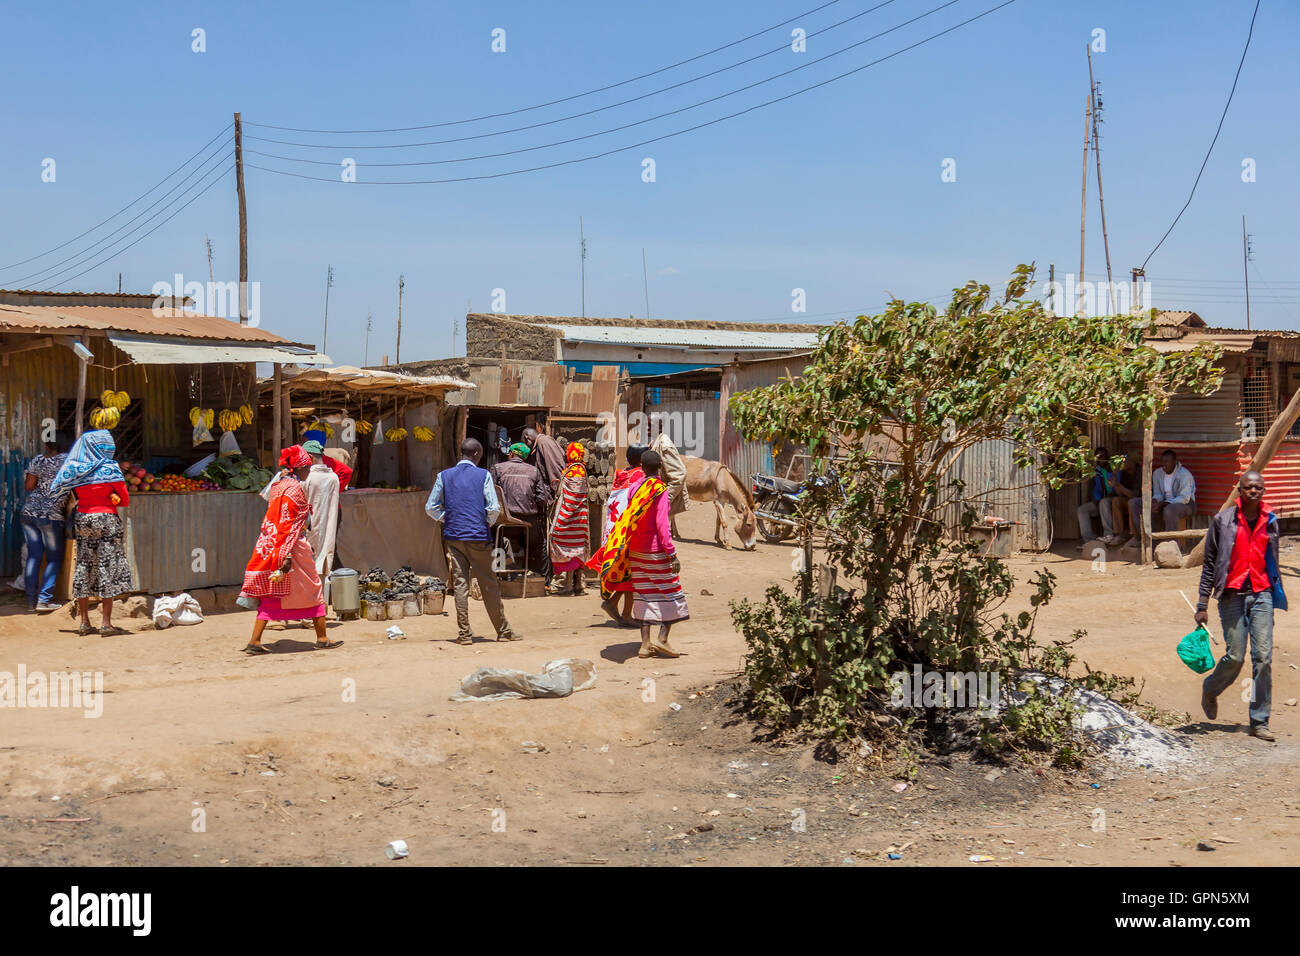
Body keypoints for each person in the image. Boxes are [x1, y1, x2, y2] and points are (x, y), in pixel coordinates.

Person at [1195, 470, 1285, 742]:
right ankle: (1211, 688)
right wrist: (1202, 603)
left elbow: (1272, 559)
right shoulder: (1222, 521)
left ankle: (1259, 721)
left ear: (1264, 490)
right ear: (1240, 490)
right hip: (1231, 594)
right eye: (1248, 488)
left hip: (1262, 594)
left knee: (1264, 658)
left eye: (1258, 487)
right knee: (1235, 656)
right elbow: (1210, 563)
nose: (1253, 492)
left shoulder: (1271, 521)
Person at [240, 446, 341, 655]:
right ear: (300, 467)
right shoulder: (294, 488)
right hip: (292, 546)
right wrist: (285, 555)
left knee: (273, 595)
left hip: (274, 544)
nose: (309, 471)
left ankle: (255, 640)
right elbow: (286, 523)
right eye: (307, 467)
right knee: (313, 588)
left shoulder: (278, 485)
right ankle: (322, 638)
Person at [426, 437, 519, 645]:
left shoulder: (444, 476)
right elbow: (494, 509)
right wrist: (483, 522)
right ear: (477, 454)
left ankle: (465, 634)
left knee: (460, 585)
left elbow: (431, 507)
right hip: (478, 537)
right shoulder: (483, 475)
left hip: (454, 537)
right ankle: (503, 631)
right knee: (489, 585)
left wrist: (448, 519)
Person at [597, 450, 688, 658]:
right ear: (660, 468)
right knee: (671, 593)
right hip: (656, 551)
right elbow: (662, 525)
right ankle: (663, 639)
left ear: (642, 468)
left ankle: (645, 644)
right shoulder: (660, 489)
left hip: (636, 551)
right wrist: (671, 553)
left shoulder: (635, 487)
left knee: (643, 595)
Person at [49, 430, 135, 636]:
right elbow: (124, 499)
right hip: (107, 520)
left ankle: (85, 622)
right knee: (106, 568)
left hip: (83, 520)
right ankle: (106, 623)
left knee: (84, 567)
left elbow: (65, 490)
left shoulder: (76, 468)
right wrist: (111, 496)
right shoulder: (110, 467)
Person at [593, 444, 646, 625]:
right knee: (632, 572)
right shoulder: (640, 476)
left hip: (613, 530)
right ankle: (624, 612)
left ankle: (617, 605)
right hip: (627, 530)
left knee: (627, 571)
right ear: (642, 459)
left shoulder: (622, 474)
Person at [21, 433, 70, 612]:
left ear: (48, 446)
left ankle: (30, 602)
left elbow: (29, 486)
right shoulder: (69, 461)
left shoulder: (38, 460)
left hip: (29, 513)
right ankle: (44, 600)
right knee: (54, 559)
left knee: (33, 557)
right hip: (51, 516)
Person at [490, 442, 552, 580]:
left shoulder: (498, 468)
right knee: (539, 545)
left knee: (495, 540)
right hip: (527, 523)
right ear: (525, 457)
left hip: (504, 521)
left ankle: (498, 576)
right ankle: (543, 580)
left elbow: (490, 495)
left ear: (511, 454)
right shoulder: (534, 471)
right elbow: (541, 498)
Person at [1126, 450, 1196, 548]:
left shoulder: (1184, 475)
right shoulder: (1158, 473)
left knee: (1169, 510)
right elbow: (1158, 493)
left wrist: (1164, 503)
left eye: (1167, 462)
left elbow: (1184, 498)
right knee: (1134, 503)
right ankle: (1147, 539)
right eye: (1162, 461)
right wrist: (1155, 501)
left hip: (1186, 504)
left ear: (1175, 462)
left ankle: (1171, 545)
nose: (1164, 465)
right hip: (1164, 503)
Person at [548, 442, 591, 595]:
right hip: (580, 518)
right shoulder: (581, 470)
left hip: (569, 517)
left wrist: (561, 518)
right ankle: (578, 584)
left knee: (558, 539)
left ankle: (567, 585)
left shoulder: (574, 471)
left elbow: (571, 499)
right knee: (578, 547)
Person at [300, 439, 341, 578]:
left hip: (309, 528)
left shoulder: (308, 477)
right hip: (327, 529)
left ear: (310, 457)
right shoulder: (333, 477)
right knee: (323, 561)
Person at [1075, 447, 1119, 549]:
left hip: (1113, 501)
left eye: (1102, 456)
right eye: (1097, 457)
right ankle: (1089, 541)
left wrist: (1102, 499)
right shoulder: (1096, 472)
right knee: (1082, 510)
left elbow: (1117, 489)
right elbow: (1094, 490)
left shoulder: (1114, 470)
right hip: (1100, 502)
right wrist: (1095, 500)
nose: (1100, 459)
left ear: (1107, 457)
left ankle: (1108, 535)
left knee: (1104, 502)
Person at [650, 432, 690, 522]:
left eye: (650, 424)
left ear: (660, 425)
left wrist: (664, 498)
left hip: (660, 502)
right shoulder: (656, 441)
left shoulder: (665, 445)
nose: (647, 427)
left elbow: (679, 474)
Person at [522, 424, 565, 494]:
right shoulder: (541, 443)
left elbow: (554, 467)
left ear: (527, 438)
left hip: (557, 490)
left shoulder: (544, 441)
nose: (526, 446)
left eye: (524, 442)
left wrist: (558, 490)